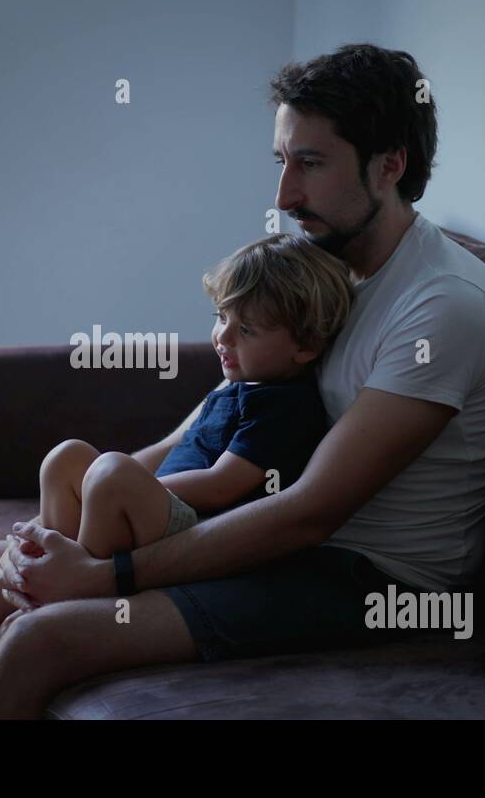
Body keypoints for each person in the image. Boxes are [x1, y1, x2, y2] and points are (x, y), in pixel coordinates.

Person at [0, 43, 485, 719]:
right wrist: (62, 529)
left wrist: (100, 576)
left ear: (390, 165)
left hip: (367, 582)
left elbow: (312, 510)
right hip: (284, 549)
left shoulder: (443, 305)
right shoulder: (328, 269)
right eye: (282, 161)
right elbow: (214, 415)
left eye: (311, 164)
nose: (284, 195)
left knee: (43, 634)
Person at [36, 234, 353, 568]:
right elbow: (166, 450)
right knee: (66, 457)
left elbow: (221, 485)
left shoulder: (286, 407)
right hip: (161, 511)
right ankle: (49, 554)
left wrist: (139, 487)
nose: (223, 337)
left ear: (306, 347)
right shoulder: (240, 384)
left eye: (246, 330)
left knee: (113, 474)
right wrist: (109, 484)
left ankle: (77, 580)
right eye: (221, 317)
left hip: (198, 531)